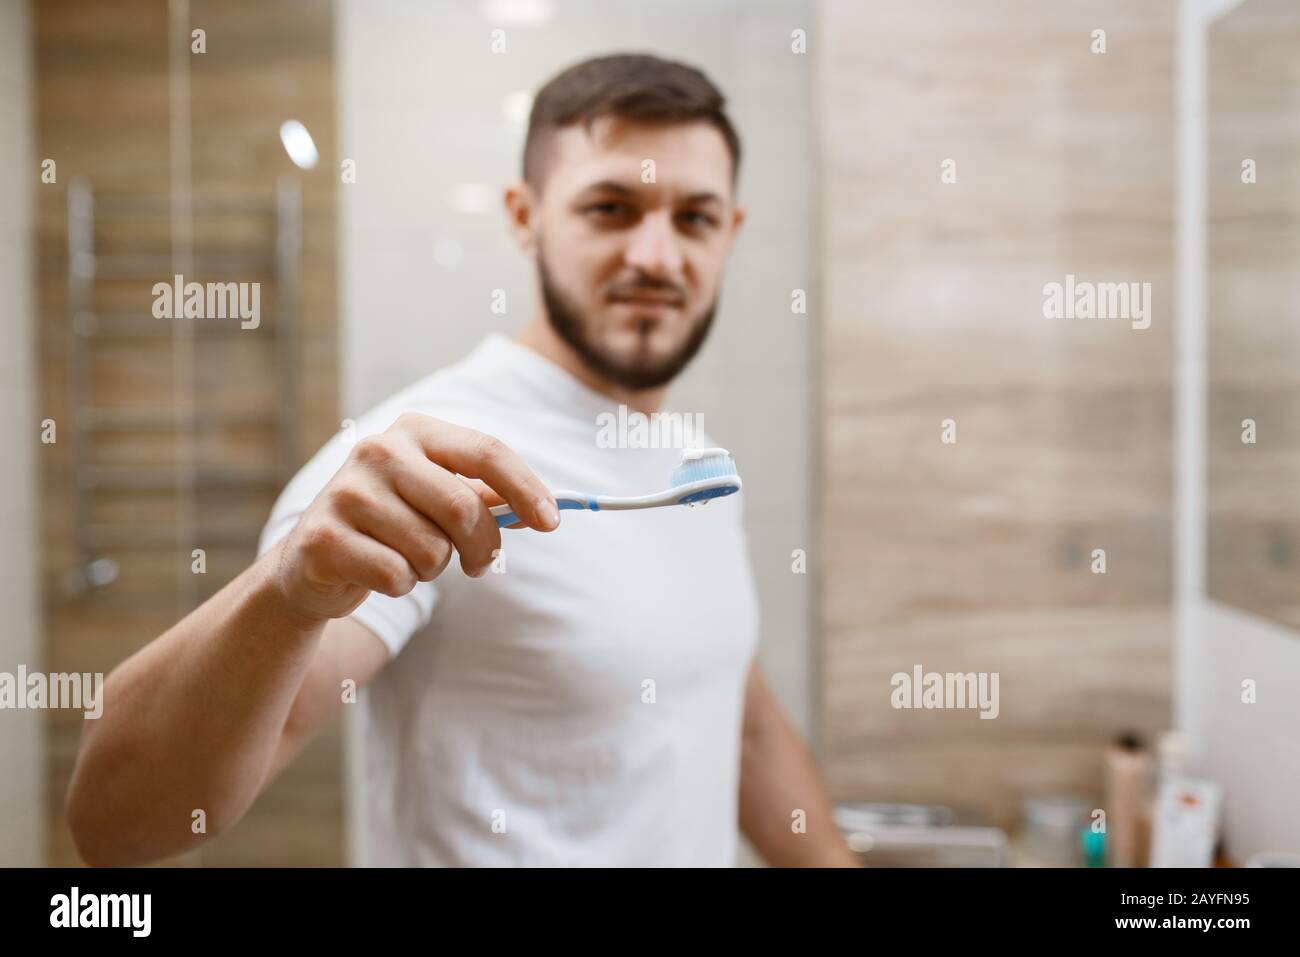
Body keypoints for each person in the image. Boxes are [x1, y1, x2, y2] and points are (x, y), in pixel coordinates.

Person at [66, 52, 858, 867]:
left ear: (731, 231)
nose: (656, 255)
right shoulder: (418, 466)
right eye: (612, 208)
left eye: (694, 216)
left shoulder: (693, 462)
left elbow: (739, 718)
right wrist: (287, 593)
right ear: (525, 216)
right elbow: (119, 827)